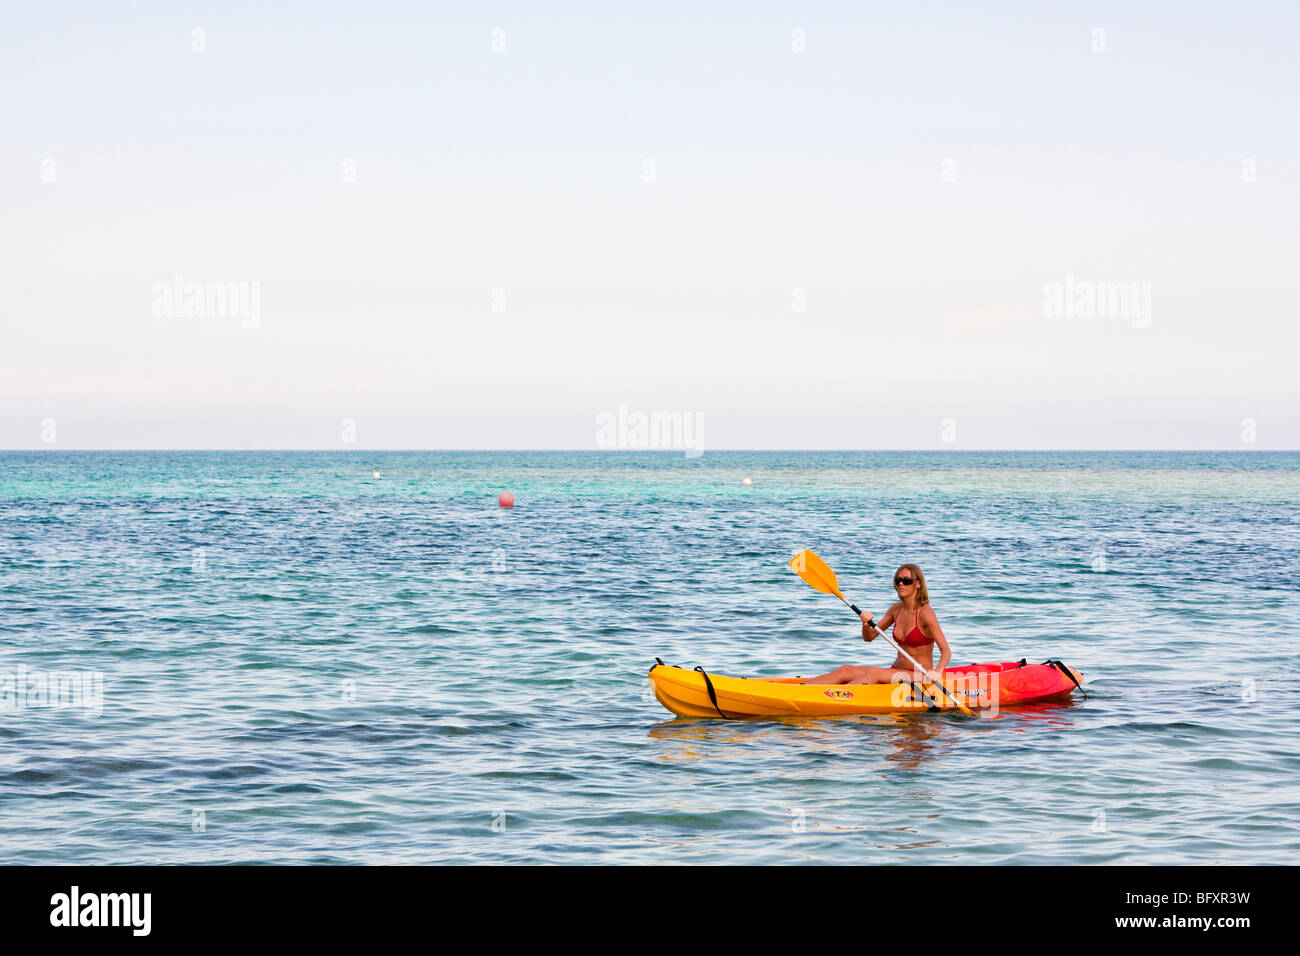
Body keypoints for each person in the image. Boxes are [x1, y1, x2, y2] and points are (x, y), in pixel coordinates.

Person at [803, 564, 952, 684]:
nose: (901, 583)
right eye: (897, 580)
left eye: (906, 580)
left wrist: (937, 672)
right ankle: (802, 688)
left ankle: (833, 697)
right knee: (845, 670)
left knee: (873, 673)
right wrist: (866, 624)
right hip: (896, 671)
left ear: (918, 584)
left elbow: (946, 651)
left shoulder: (925, 613)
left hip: (920, 676)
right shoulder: (896, 610)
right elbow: (869, 637)